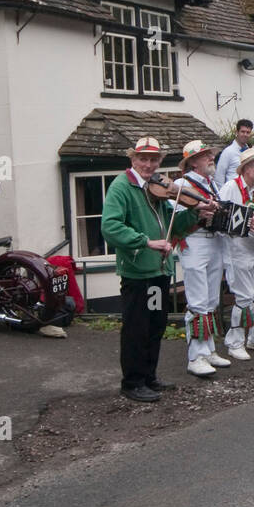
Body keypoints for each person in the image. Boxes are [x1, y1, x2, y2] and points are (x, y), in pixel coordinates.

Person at [100, 136, 199, 402]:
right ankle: (131, 383)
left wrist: (196, 213)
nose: (149, 164)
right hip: (137, 272)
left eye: (153, 159)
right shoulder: (121, 187)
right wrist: (145, 242)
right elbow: (110, 227)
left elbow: (174, 227)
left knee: (155, 325)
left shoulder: (158, 187)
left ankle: (149, 376)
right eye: (143, 159)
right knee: (136, 328)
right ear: (133, 159)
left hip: (159, 272)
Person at [172, 140, 232, 378]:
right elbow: (175, 219)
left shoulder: (211, 184)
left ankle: (208, 349)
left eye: (211, 155)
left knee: (210, 300)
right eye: (206, 155)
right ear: (192, 162)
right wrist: (198, 212)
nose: (211, 158)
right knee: (197, 300)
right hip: (194, 241)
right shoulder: (181, 184)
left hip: (214, 240)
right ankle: (195, 357)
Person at [219, 146, 254, 359]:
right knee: (243, 295)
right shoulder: (231, 187)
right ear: (247, 169)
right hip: (236, 247)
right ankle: (235, 342)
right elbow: (221, 217)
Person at [216, 119, 254, 186]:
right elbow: (219, 176)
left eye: (248, 132)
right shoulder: (228, 152)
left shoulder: (251, 151)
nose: (245, 134)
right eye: (242, 132)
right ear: (237, 132)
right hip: (232, 192)